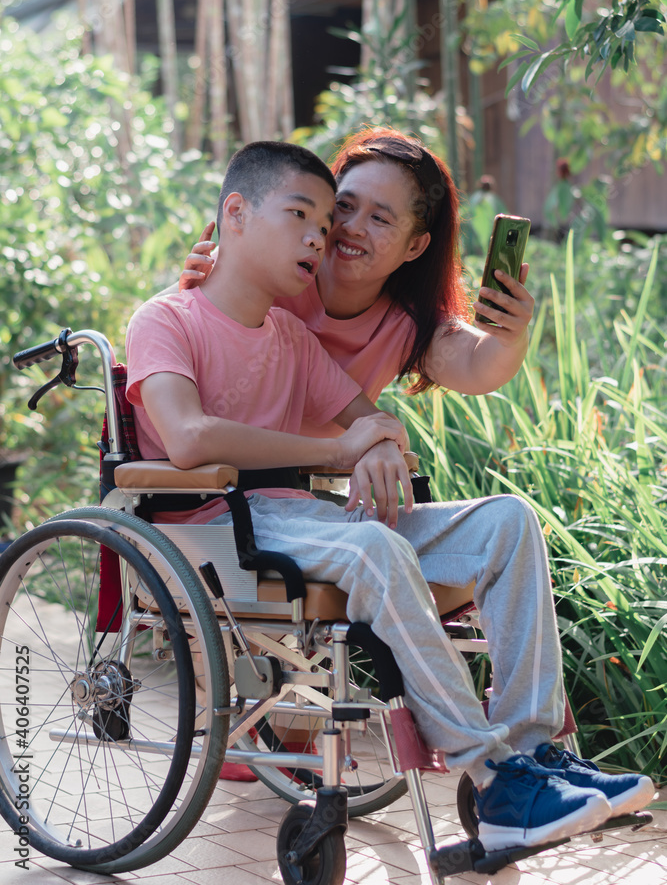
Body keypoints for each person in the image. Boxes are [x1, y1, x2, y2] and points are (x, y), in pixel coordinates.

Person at [131, 140, 653, 853]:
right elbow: (188, 438)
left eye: (346, 220)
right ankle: (493, 776)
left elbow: (369, 420)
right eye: (317, 216)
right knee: (372, 544)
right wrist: (340, 449)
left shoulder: (291, 331)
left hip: (307, 515)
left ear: (414, 245)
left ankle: (531, 754)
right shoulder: (171, 315)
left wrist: (374, 443)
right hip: (223, 521)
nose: (327, 235)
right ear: (237, 215)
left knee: (506, 520)